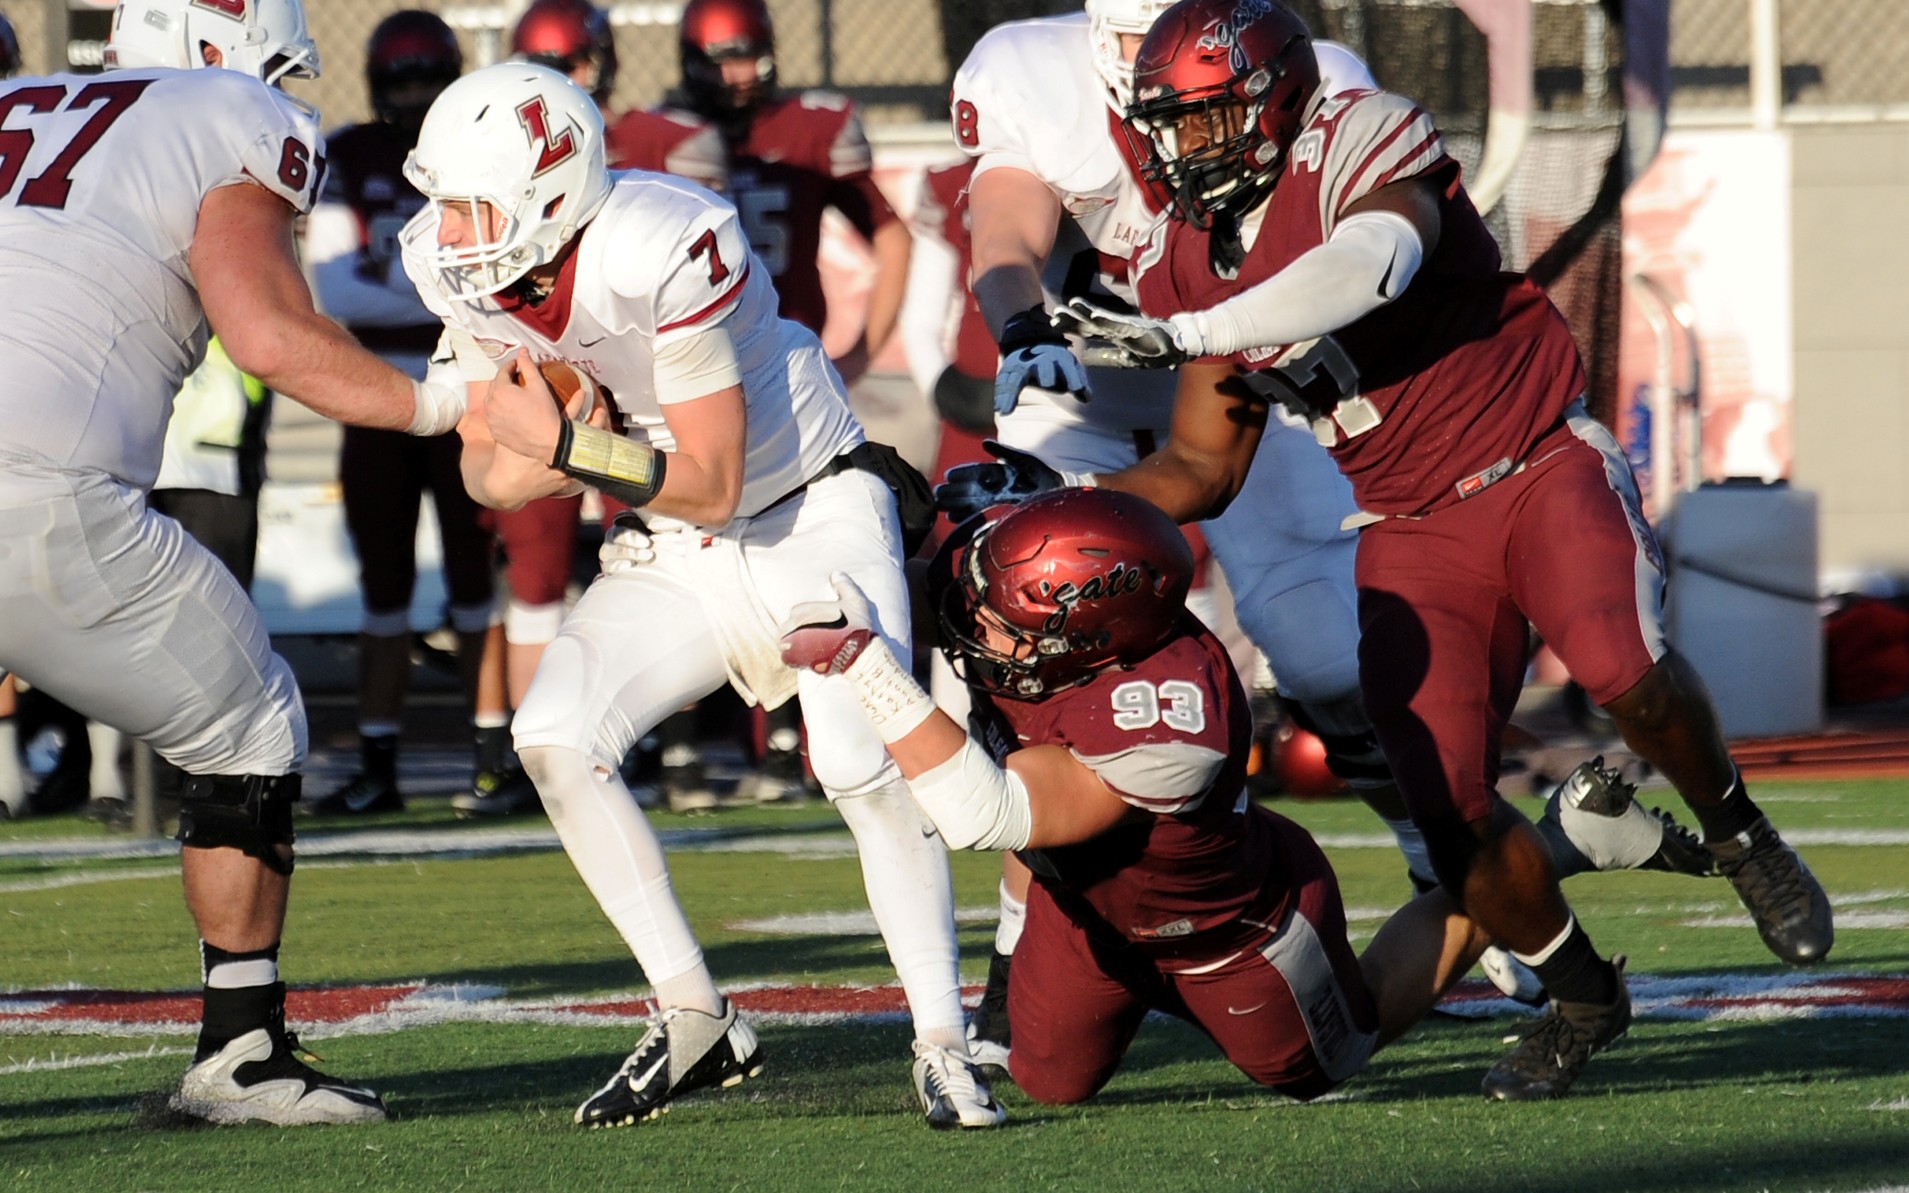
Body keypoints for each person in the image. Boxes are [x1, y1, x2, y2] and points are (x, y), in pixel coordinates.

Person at [1029, 0, 1833, 1099]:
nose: (1189, 150)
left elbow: (1379, 258)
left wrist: (1192, 334)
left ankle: (1740, 832)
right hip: (1407, 524)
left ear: (1272, 101)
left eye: (1211, 120)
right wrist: (1049, 504)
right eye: (1174, 126)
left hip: (1533, 458)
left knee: (1620, 670)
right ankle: (1585, 997)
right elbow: (1201, 467)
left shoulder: (1355, 135)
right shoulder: (1184, 262)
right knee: (1445, 806)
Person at [936, 0, 1558, 1043]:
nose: (1165, 64)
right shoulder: (1028, 73)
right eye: (1141, 45)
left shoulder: (1310, 72)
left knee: (1324, 647)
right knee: (1025, 640)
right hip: (1083, 374)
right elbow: (1005, 226)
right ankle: (1016, 953)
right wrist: (1021, 321)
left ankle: (1439, 853)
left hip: (1242, 369)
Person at [397, 62, 1000, 1129]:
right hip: (671, 533)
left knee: (860, 762)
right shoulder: (462, 267)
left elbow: (717, 475)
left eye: (471, 207)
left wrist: (575, 443)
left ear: (550, 194)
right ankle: (694, 1015)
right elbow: (491, 474)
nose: (449, 234)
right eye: (443, 206)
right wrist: (549, 446)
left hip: (803, 504)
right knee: (551, 732)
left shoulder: (662, 241)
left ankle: (943, 1041)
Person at [0, 0, 468, 1124]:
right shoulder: (223, 108)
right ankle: (242, 1050)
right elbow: (264, 332)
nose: (288, 95)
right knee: (251, 720)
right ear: (219, 53)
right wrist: (448, 401)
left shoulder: (16, 101)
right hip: (36, 481)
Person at [778, 488, 1501, 1105]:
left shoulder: (1167, 720)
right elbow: (938, 603)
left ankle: (1517, 870)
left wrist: (868, 670)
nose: (975, 628)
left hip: (1224, 933)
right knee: (1048, 1080)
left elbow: (984, 812)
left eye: (1003, 623)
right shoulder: (1034, 608)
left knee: (1319, 1067)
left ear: (1089, 635)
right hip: (1087, 914)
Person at [460, 0, 731, 817]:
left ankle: (672, 744)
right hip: (545, 382)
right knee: (535, 574)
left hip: (646, 390)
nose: (562, 85)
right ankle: (531, 752)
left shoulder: (660, 144)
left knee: (673, 554)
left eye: (572, 66)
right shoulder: (480, 171)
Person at [668, 0, 916, 805]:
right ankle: (684, 742)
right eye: (717, 58)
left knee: (783, 544)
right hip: (684, 368)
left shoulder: (813, 127)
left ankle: (784, 741)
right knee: (684, 544)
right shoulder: (651, 131)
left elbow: (890, 230)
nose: (733, 75)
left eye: (744, 55)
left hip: (778, 371)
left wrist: (864, 345)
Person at [302, 9, 511, 818]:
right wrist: (439, 286)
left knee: (473, 584)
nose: (418, 95)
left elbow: (488, 279)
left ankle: (492, 757)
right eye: (403, 81)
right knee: (383, 591)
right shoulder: (349, 154)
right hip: (383, 395)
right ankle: (379, 758)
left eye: (430, 79)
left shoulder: (479, 149)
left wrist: (401, 282)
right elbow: (336, 287)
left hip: (470, 390)